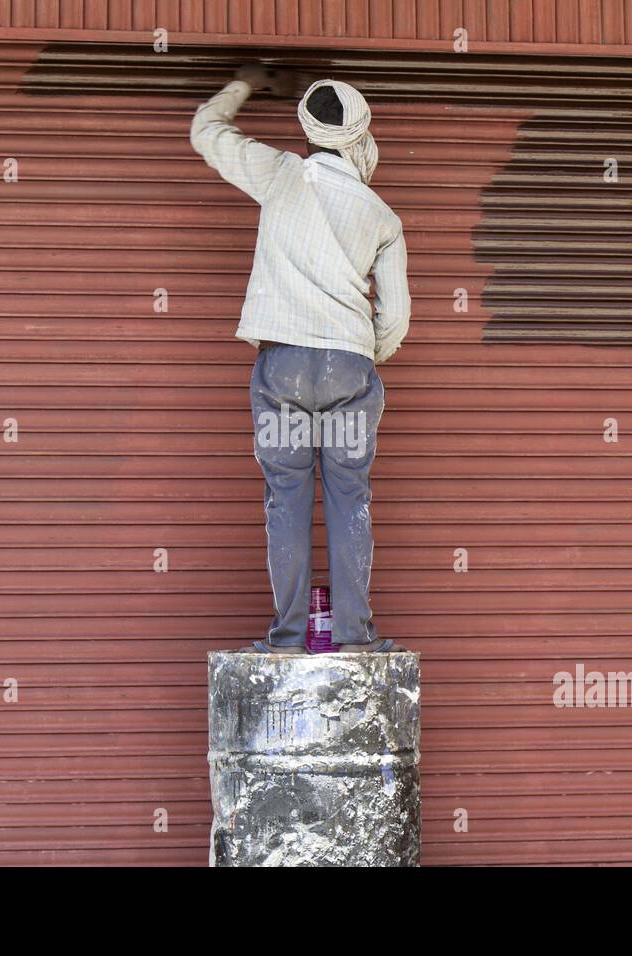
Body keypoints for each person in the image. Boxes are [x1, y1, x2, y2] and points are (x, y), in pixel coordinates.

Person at [190, 64, 411, 655]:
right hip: (349, 367)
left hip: (283, 367)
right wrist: (365, 356)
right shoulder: (381, 217)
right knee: (349, 499)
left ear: (306, 129)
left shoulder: (282, 174)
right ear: (362, 135)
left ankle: (288, 638)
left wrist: (243, 84)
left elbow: (206, 132)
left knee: (285, 498)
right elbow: (395, 319)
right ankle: (356, 638)